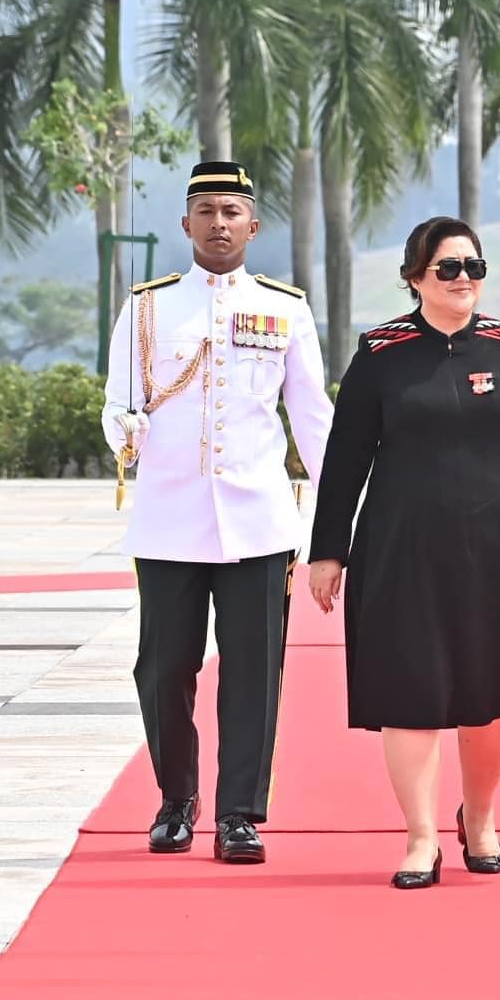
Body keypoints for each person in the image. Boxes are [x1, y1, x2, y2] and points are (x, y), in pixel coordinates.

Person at [306, 216, 500, 890]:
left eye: (474, 267)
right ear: (415, 277)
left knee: (494, 692)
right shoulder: (381, 352)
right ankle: (420, 837)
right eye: (448, 268)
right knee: (410, 691)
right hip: (401, 551)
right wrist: (328, 552)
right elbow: (345, 459)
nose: (464, 279)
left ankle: (480, 818)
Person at [102, 160, 331, 865]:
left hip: (258, 523)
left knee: (254, 674)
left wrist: (342, 516)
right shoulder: (147, 308)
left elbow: (312, 416)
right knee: (162, 669)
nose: (219, 224)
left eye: (232, 212)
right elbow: (117, 401)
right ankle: (177, 799)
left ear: (253, 225)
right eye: (206, 212)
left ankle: (239, 815)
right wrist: (125, 431)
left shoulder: (285, 309)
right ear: (186, 224)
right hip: (169, 522)